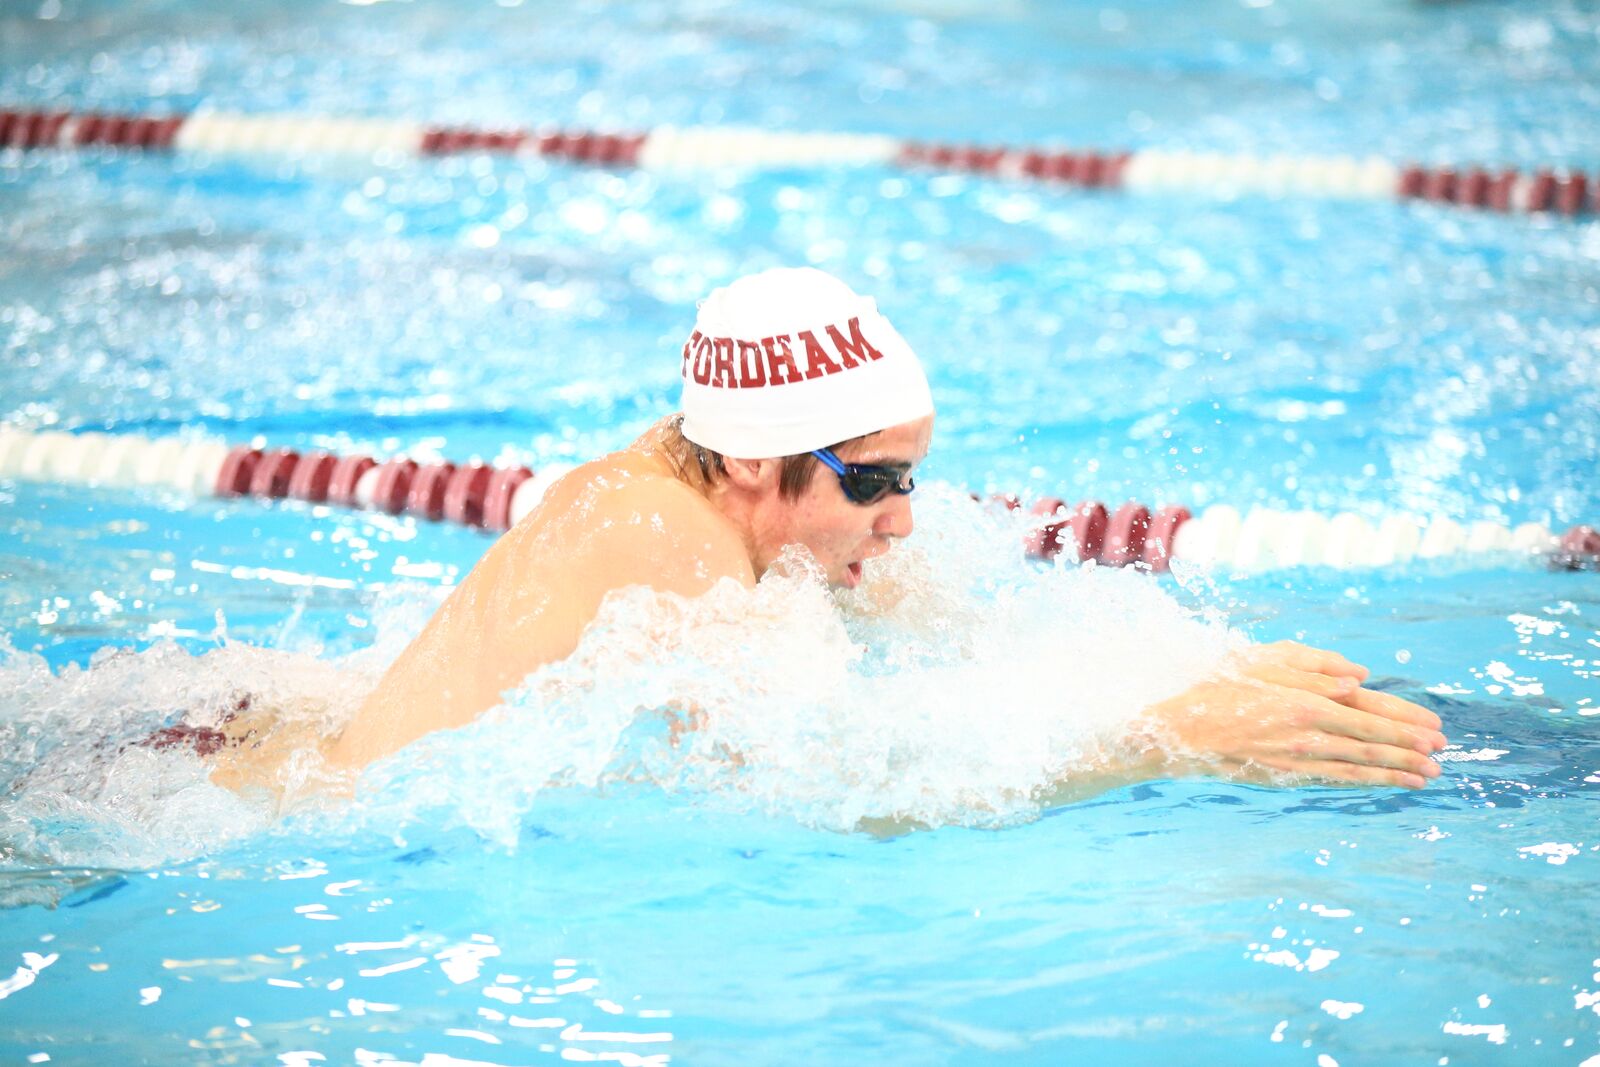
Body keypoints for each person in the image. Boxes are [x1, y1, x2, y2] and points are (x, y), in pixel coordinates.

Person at [220, 267, 1447, 796]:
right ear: (757, 459)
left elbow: (974, 644)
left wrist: (1191, 679)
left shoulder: (747, 502)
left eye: (914, 476)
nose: (902, 520)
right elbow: (824, 784)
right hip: (275, 825)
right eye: (874, 484)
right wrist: (1160, 741)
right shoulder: (655, 531)